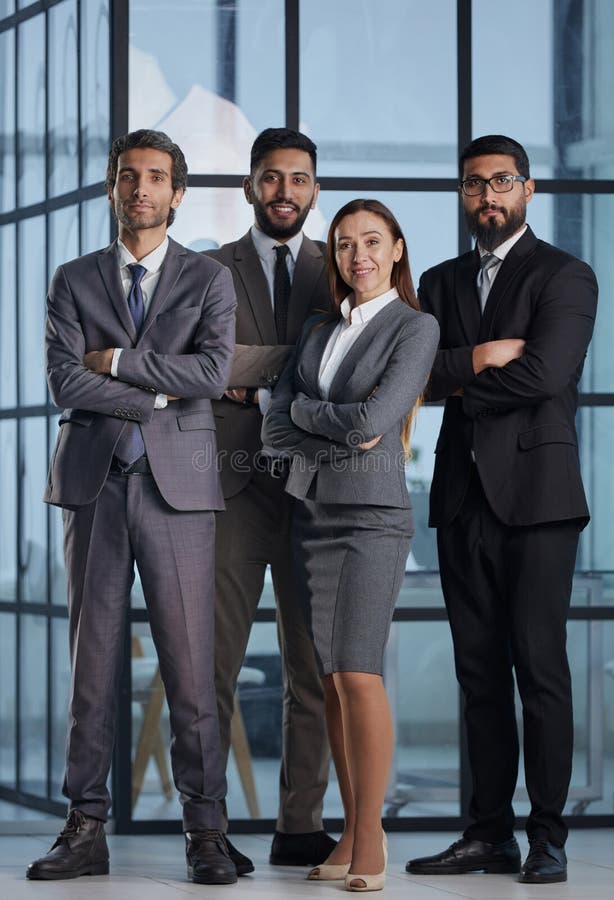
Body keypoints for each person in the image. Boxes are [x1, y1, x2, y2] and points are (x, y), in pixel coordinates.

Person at [27, 129, 238, 885]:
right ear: (112, 189)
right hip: (93, 486)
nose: (140, 189)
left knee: (191, 670)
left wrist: (117, 363)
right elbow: (63, 384)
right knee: (92, 668)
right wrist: (161, 387)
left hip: (178, 489)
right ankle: (84, 826)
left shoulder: (209, 280)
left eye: (155, 178)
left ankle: (205, 832)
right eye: (128, 177)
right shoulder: (72, 278)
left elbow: (212, 373)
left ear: (177, 194)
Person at [405, 135, 598, 885]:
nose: (488, 196)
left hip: (540, 501)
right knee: (478, 676)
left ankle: (546, 837)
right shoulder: (440, 279)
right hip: (461, 500)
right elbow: (415, 376)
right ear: (461, 194)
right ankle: (488, 833)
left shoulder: (565, 275)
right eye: (474, 185)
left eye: (502, 182)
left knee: (540, 671)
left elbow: (548, 375)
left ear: (528, 189)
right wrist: (479, 360)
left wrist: (455, 376)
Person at [262, 199, 439, 892]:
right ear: (333, 257)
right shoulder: (316, 331)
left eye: (371, 241)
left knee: (358, 673)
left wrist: (306, 410)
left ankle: (371, 840)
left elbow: (374, 420)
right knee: (331, 682)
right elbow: (275, 432)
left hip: (370, 519)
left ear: (396, 249)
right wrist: (317, 418)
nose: (357, 255)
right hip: (313, 515)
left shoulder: (414, 327)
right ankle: (349, 830)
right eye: (343, 245)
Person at [205, 127, 335, 871]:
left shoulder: (342, 266)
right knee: (212, 663)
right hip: (234, 481)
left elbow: (359, 353)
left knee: (311, 667)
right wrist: (302, 364)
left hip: (317, 486)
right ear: (252, 186)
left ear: (314, 188)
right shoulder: (208, 269)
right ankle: (209, 825)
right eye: (272, 177)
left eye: (299, 178)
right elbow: (199, 357)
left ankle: (299, 823)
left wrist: (251, 375)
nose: (285, 190)